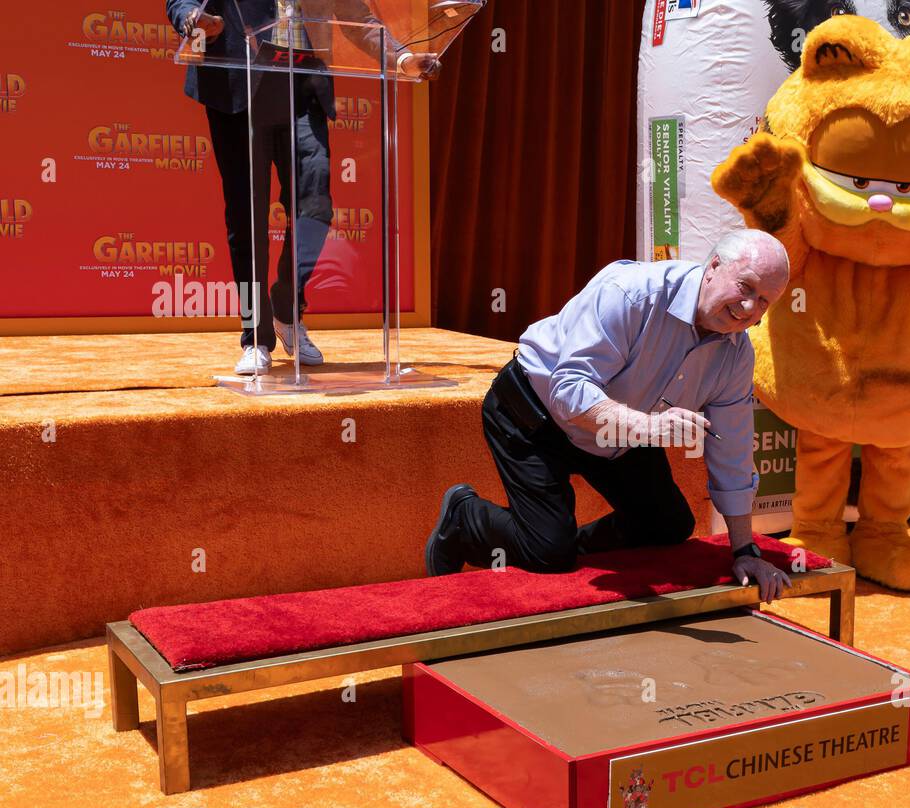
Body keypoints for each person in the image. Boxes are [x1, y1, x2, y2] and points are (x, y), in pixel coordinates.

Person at [424, 230, 796, 603]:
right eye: (745, 287)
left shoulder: (737, 354)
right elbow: (569, 391)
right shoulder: (631, 292)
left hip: (622, 429)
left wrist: (745, 551)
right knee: (546, 554)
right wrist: (648, 427)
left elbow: (732, 451)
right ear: (714, 266)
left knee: (668, 525)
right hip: (533, 415)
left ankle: (568, 544)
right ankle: (464, 518)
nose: (749, 308)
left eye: (764, 301)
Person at [165, 1, 438, 375]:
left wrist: (402, 59)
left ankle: (286, 303)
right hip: (238, 86)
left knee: (315, 201)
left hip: (303, 87)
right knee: (247, 218)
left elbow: (358, 19)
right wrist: (192, 21)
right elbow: (183, 2)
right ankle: (255, 337)